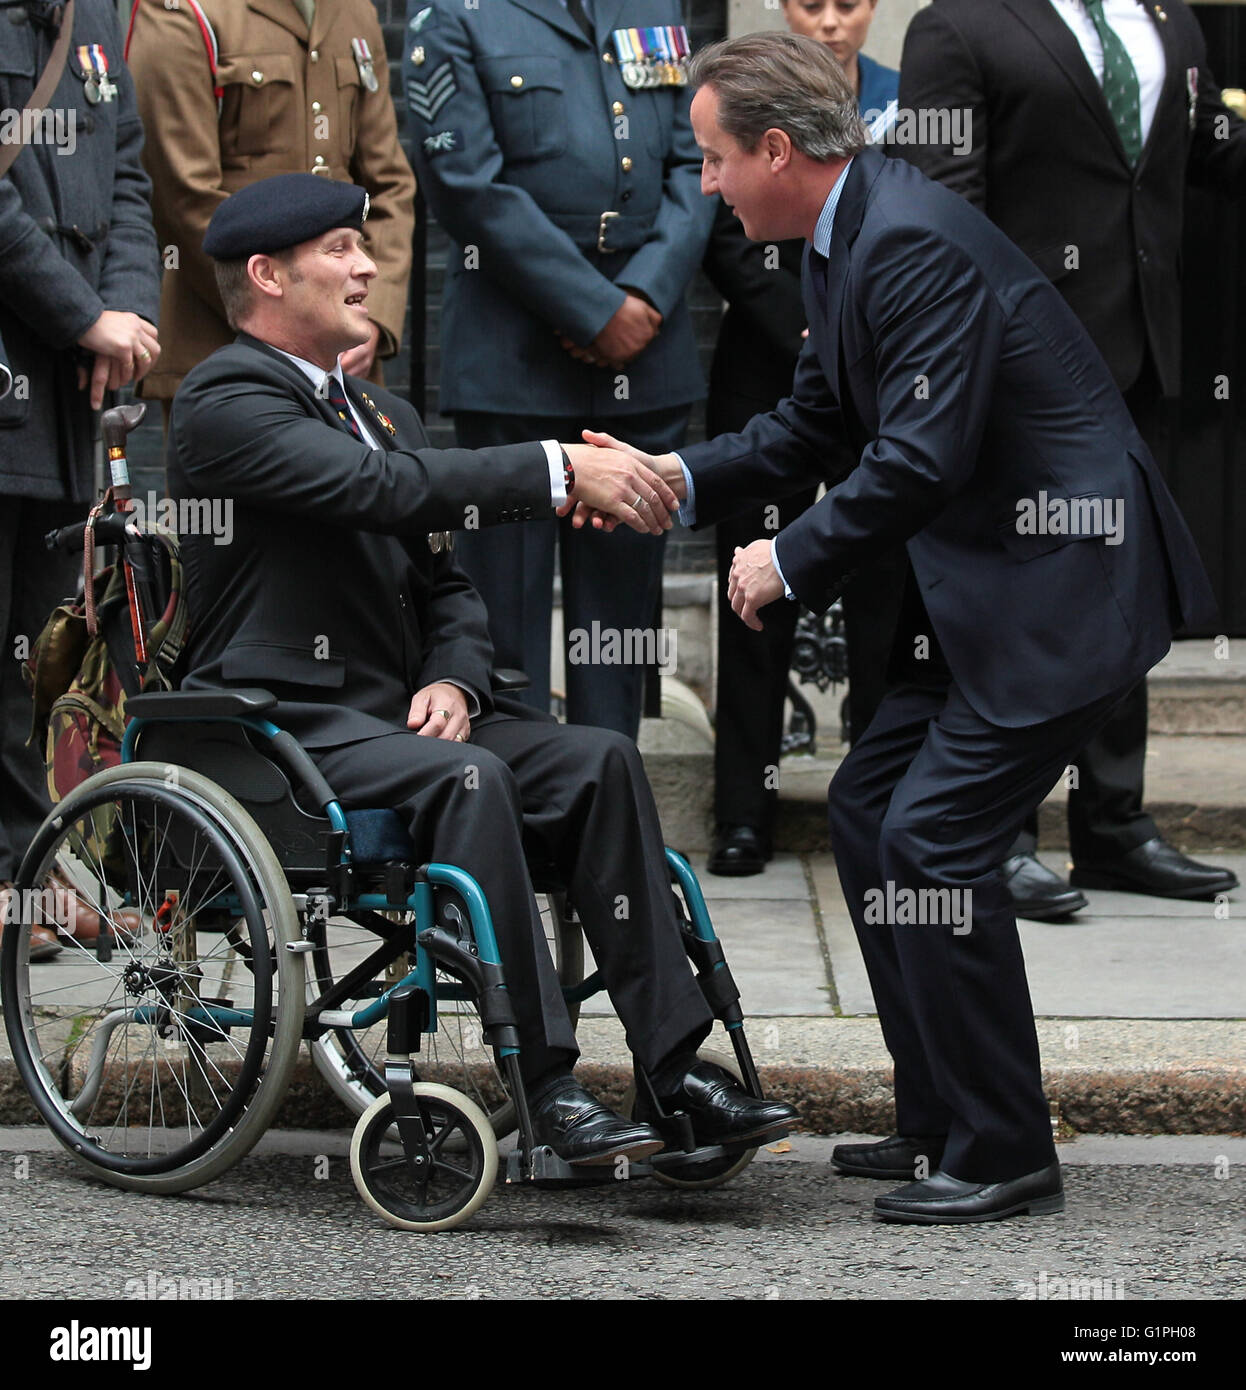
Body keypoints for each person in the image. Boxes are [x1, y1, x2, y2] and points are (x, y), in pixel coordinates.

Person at [583, 33, 1217, 1222]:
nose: (708, 185)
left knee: (929, 841)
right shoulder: (845, 231)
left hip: (1057, 586)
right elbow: (810, 427)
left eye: (716, 159)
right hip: (981, 592)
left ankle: (1004, 1146)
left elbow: (918, 458)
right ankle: (939, 1117)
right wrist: (671, 475)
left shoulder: (907, 240)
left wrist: (787, 556)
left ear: (777, 150)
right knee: (874, 812)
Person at [167, 174, 797, 1168]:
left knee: (598, 759)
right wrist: (554, 468)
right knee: (473, 777)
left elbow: (449, 587)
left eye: (360, 245)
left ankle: (675, 1068)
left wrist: (457, 680)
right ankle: (546, 1084)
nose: (367, 264)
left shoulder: (385, 413)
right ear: (265, 274)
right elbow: (373, 491)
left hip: (412, 718)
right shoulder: (223, 401)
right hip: (290, 726)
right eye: (338, 249)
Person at [896, 0, 1242, 916]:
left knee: (1122, 592)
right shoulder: (959, 26)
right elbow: (943, 207)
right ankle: (995, 831)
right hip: (1022, 366)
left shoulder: (1170, 23)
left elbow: (1204, 147)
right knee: (1018, 596)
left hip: (1140, 355)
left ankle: (1114, 826)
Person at [403, 0, 715, 736]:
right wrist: (592, 310)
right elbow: (464, 181)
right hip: (516, 359)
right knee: (503, 622)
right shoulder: (454, 14)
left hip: (644, 352)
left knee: (620, 628)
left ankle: (611, 812)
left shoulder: (652, 6)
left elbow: (695, 154)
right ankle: (520, 821)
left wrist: (644, 296)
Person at [703, 0, 902, 876]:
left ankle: (884, 797)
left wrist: (850, 345)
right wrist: (822, 333)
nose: (829, 22)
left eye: (846, 4)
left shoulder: (905, 99)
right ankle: (746, 810)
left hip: (876, 394)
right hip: (768, 377)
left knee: (886, 601)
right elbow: (725, 234)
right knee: (755, 600)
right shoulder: (745, 99)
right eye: (810, 5)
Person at [0, 0, 162, 961]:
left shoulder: (93, 16)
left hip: (64, 400)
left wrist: (127, 314)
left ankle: (28, 870)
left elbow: (131, 179)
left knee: (39, 655)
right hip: (23, 359)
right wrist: (80, 316)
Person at [125, 0, 415, 402]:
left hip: (346, 358)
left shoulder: (354, 10)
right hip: (229, 351)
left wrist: (372, 314)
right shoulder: (183, 10)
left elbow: (390, 185)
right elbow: (180, 193)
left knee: (365, 466)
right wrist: (304, 318)